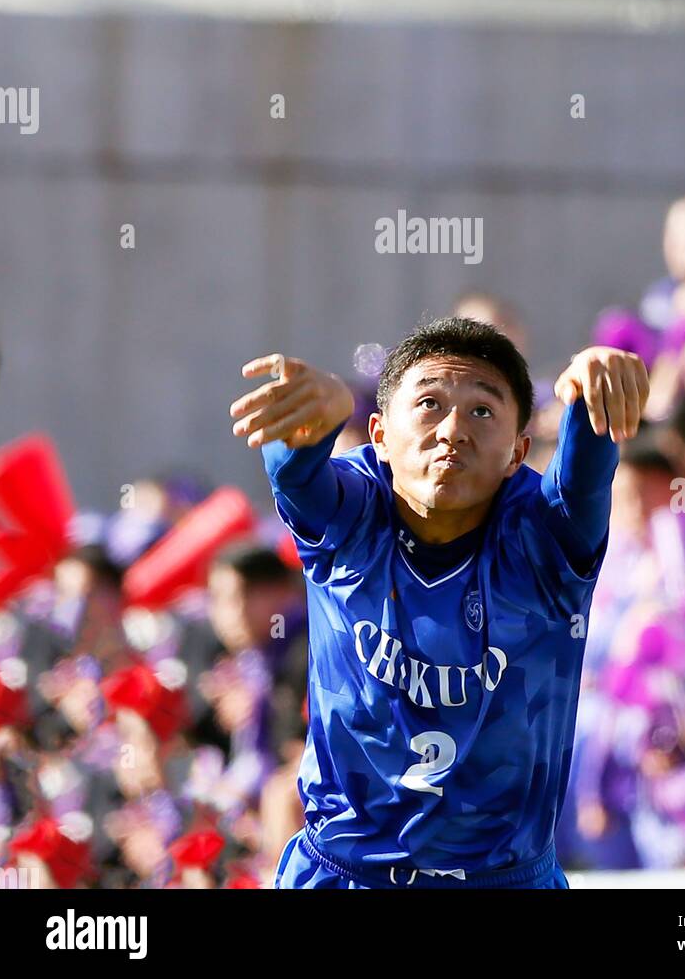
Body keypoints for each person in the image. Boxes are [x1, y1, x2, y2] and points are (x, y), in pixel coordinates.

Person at [229, 316, 648, 890]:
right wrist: (312, 421)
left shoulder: (546, 535)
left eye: (482, 410)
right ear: (378, 435)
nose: (453, 429)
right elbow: (299, 476)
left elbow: (584, 476)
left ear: (518, 451)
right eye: (428, 403)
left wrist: (592, 391)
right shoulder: (352, 513)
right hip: (344, 877)